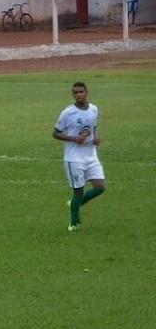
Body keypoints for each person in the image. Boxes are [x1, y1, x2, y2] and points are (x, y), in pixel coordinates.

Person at [53, 81, 107, 231]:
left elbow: (93, 126)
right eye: (76, 93)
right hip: (74, 158)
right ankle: (73, 224)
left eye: (81, 92)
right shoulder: (68, 113)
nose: (79, 95)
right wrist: (74, 139)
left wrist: (96, 136)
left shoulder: (94, 109)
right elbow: (55, 133)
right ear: (73, 95)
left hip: (90, 155)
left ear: (86, 92)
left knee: (100, 187)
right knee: (78, 190)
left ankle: (74, 203)